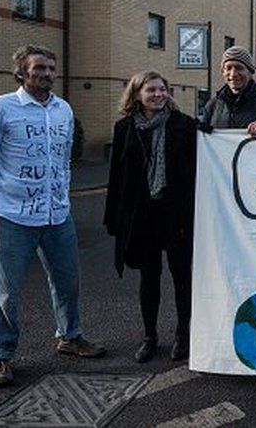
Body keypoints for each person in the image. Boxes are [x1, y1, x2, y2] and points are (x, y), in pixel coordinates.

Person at [0, 45, 106, 387]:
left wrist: (63, 196)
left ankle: (70, 336)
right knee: (6, 291)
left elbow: (63, 160)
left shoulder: (63, 110)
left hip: (57, 215)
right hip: (14, 216)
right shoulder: (1, 108)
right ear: (22, 72)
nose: (47, 73)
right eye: (39, 68)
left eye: (50, 68)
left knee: (68, 281)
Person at [104, 71, 197, 363]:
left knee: (182, 276)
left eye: (162, 89)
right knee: (149, 278)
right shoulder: (125, 129)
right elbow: (116, 177)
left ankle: (184, 333)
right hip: (142, 215)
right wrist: (114, 219)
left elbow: (217, 143)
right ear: (137, 95)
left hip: (176, 213)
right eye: (151, 90)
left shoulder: (184, 125)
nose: (158, 94)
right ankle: (150, 336)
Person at [200, 46, 256, 133]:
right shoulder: (212, 106)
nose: (233, 74)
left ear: (250, 72)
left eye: (239, 68)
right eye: (228, 68)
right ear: (223, 72)